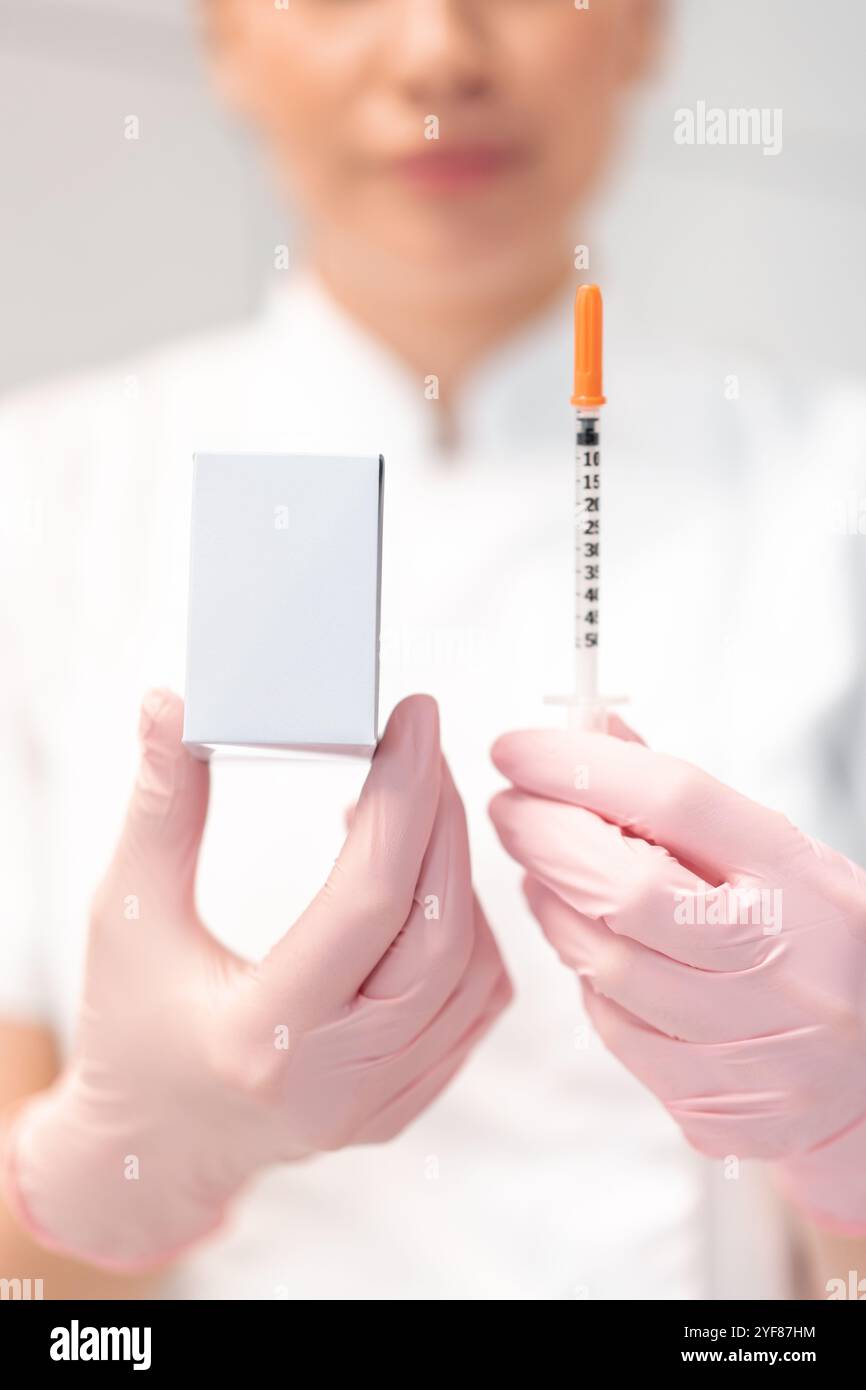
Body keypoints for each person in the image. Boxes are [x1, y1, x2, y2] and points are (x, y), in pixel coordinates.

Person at [1, 0, 865, 1300]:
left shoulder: (829, 486)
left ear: (639, 25)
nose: (435, 52)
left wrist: (851, 1149)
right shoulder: (40, 493)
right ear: (225, 36)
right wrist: (105, 1178)